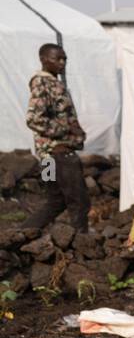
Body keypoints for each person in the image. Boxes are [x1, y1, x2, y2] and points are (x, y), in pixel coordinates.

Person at [23, 43, 89, 232]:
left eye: (64, 59)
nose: (62, 63)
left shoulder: (52, 82)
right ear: (44, 59)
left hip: (47, 158)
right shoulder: (43, 83)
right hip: (59, 156)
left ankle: (19, 235)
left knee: (55, 200)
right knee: (79, 201)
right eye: (57, 59)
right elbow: (34, 119)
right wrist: (67, 130)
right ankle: (82, 244)